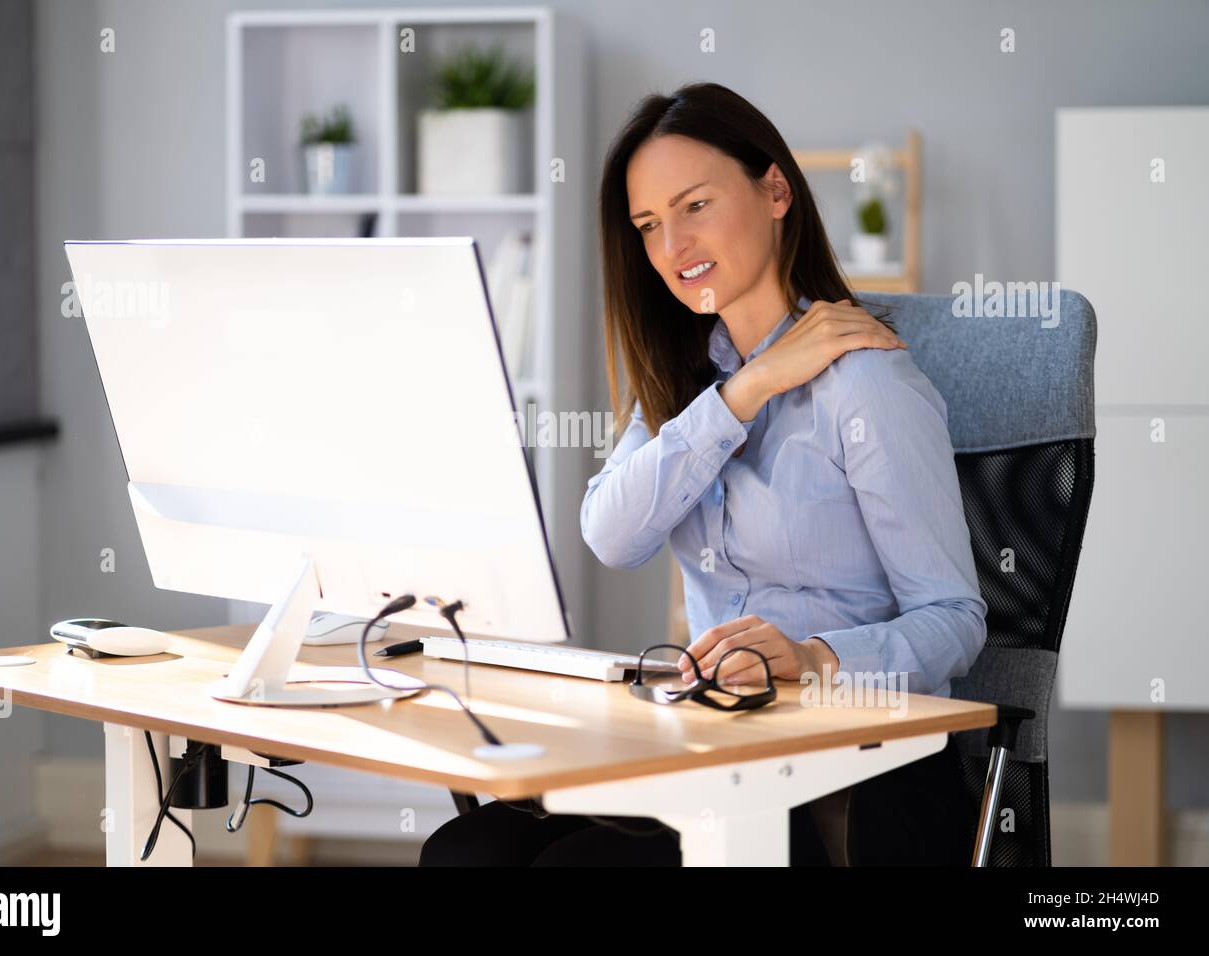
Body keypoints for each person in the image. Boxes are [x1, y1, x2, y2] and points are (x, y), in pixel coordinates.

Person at [420, 81, 986, 867]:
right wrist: (745, 390)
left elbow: (956, 616)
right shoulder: (691, 386)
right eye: (650, 226)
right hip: (712, 748)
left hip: (845, 769)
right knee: (465, 851)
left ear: (776, 190)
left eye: (694, 206)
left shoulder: (867, 386)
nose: (673, 249)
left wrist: (817, 657)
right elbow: (610, 535)